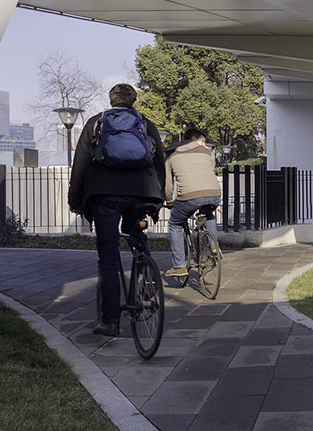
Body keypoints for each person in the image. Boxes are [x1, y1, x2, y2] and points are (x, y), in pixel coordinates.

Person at [67, 84, 167, 337]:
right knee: (136, 236)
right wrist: (158, 197)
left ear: (111, 102)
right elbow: (159, 162)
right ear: (135, 102)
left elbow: (80, 165)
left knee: (109, 256)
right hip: (142, 192)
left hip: (105, 194)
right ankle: (146, 276)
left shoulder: (95, 123)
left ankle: (110, 321)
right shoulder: (146, 123)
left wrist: (75, 200)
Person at [163, 126, 221, 278]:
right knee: (209, 213)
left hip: (189, 197)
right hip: (214, 194)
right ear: (196, 140)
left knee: (174, 224)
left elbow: (168, 184)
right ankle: (213, 245)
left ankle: (179, 265)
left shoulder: (171, 155)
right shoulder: (208, 153)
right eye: (203, 141)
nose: (204, 145)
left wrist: (169, 201)